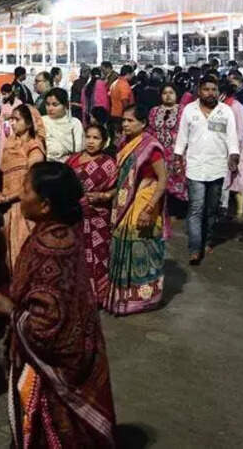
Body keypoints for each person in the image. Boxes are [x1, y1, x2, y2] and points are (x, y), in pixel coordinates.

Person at [0, 162, 116, 447]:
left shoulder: (52, 248)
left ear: (44, 205)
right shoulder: (58, 234)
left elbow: (46, 325)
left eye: (26, 189)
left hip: (56, 370)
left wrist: (9, 309)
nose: (20, 195)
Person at [106, 104, 167, 314]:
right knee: (121, 247)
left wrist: (149, 209)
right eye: (123, 120)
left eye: (130, 121)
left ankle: (143, 299)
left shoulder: (151, 147)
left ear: (143, 123)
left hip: (144, 202)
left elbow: (163, 180)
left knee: (141, 248)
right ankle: (121, 299)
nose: (125, 124)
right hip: (124, 202)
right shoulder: (125, 143)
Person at [173, 77, 240, 265]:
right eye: (206, 89)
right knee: (195, 208)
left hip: (217, 167)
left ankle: (208, 239)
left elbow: (232, 137)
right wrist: (178, 156)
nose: (210, 93)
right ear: (199, 91)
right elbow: (182, 136)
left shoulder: (225, 111)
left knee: (211, 209)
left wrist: (233, 156)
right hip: (194, 166)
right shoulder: (189, 110)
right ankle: (194, 248)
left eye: (213, 89)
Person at [67, 124, 118, 305]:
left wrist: (103, 195)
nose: (90, 141)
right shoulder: (72, 161)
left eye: (96, 138)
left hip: (98, 218)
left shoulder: (109, 164)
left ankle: (98, 296)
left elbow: (117, 189)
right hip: (74, 218)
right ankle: (76, 296)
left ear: (104, 142)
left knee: (99, 256)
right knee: (75, 257)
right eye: (88, 137)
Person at [0, 104, 46, 267]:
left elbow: (32, 181)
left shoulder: (34, 148)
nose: (13, 123)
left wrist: (9, 197)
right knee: (10, 253)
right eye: (11, 120)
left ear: (29, 124)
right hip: (8, 208)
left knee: (24, 251)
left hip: (26, 206)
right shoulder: (10, 145)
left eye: (17, 119)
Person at [148, 84, 188, 218]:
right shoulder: (154, 111)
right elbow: (151, 130)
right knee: (160, 178)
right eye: (165, 93)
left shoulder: (183, 110)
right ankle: (162, 209)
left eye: (171, 92)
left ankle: (179, 210)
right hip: (159, 152)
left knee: (178, 179)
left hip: (177, 152)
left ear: (176, 95)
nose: (168, 95)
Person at [221, 81, 243, 218]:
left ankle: (239, 212)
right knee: (224, 180)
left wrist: (235, 151)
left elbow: (240, 132)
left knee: (237, 182)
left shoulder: (236, 107)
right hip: (221, 147)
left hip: (234, 149)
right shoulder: (221, 106)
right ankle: (224, 207)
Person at [41, 88, 85, 162]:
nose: (50, 108)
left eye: (55, 105)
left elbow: (78, 148)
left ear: (65, 105)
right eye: (47, 104)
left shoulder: (75, 123)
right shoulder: (41, 122)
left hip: (70, 165)